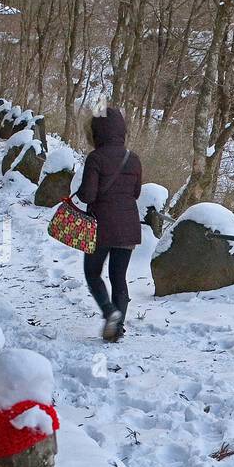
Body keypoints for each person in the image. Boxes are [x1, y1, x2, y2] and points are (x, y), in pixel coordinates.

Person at [78, 106, 142, 341]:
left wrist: (79, 191)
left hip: (100, 228)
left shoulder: (95, 158)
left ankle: (109, 312)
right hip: (128, 227)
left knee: (92, 273)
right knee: (119, 277)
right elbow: (136, 192)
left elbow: (88, 195)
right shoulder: (133, 159)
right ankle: (117, 329)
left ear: (97, 132)